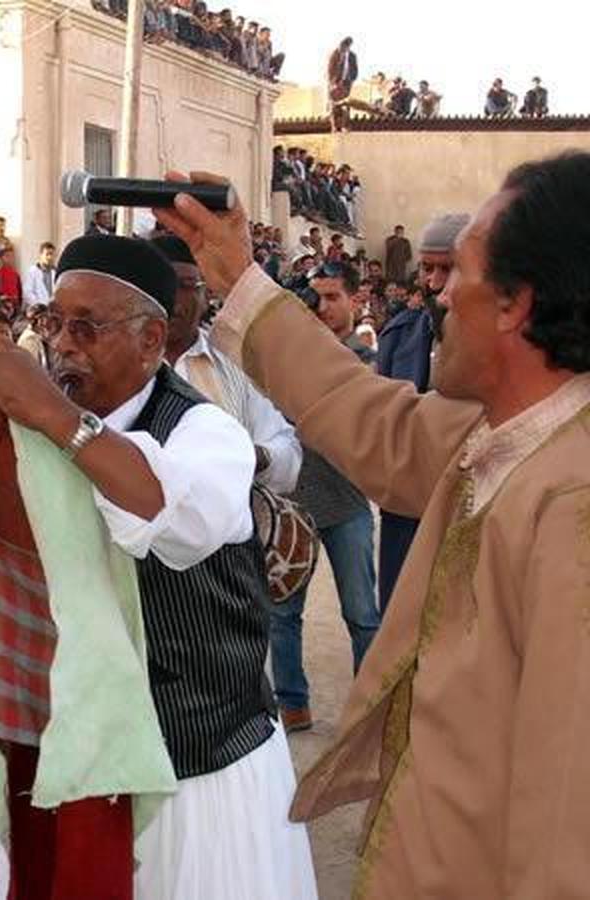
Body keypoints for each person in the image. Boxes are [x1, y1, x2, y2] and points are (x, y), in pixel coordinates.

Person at [156, 152, 590, 898]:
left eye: (459, 273)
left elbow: (567, 828)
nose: (439, 296)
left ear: (517, 302)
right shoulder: (499, 435)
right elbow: (366, 414)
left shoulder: (573, 504)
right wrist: (239, 276)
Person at [0, 234, 316, 900]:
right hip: (63, 755)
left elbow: (170, 515)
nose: (62, 344)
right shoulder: (12, 411)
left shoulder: (204, 433)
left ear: (153, 340)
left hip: (196, 772)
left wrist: (54, 415)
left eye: (87, 327)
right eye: (52, 322)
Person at [270, 261, 381, 732]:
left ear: (355, 300)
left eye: (333, 297)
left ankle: (369, 711)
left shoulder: (363, 354)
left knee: (361, 613)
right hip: (294, 502)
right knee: (283, 612)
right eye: (315, 297)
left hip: (347, 502)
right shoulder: (290, 353)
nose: (323, 307)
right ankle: (292, 702)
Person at [154, 235, 301, 496]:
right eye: (160, 285)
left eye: (185, 285)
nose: (172, 299)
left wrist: (253, 457)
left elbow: (287, 455)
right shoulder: (117, 362)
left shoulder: (237, 362)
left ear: (206, 293)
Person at [375, 214, 468, 613]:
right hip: (407, 503)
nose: (435, 282)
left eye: (448, 269)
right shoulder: (399, 334)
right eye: (428, 268)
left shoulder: (506, 347)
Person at [21, 241, 57, 309]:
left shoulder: (55, 272)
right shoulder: (32, 271)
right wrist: (39, 305)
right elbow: (27, 293)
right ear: (40, 255)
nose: (50, 257)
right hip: (37, 310)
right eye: (47, 254)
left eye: (52, 254)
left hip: (51, 309)